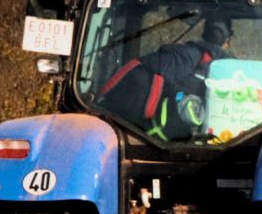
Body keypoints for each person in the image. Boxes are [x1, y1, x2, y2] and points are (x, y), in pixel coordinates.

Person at [98, 16, 233, 139]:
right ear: (226, 41)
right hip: (155, 138)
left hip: (124, 129)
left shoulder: (180, 56)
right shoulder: (226, 67)